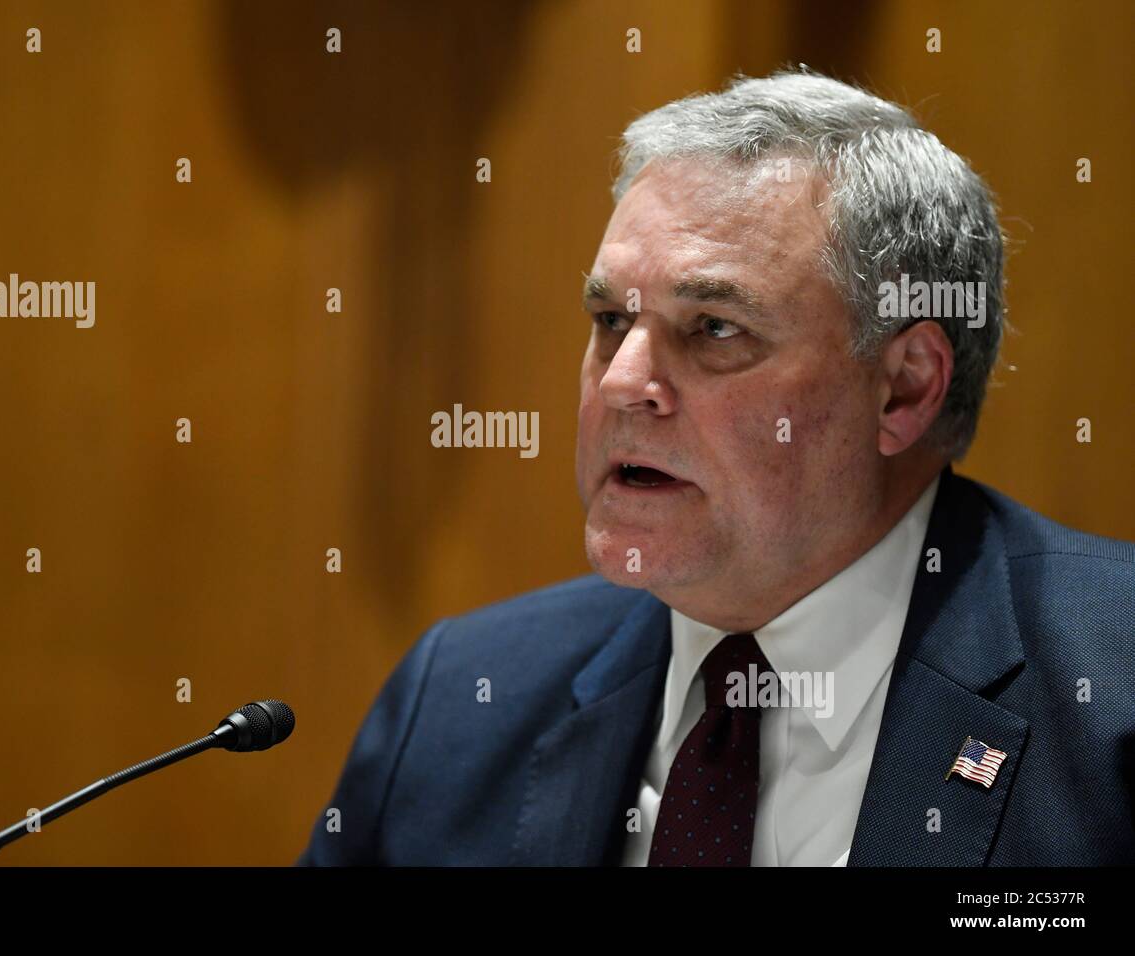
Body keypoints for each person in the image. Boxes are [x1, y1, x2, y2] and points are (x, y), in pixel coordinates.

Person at [297, 70, 1135, 866]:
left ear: (903, 389)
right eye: (608, 318)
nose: (622, 382)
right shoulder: (463, 699)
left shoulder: (1112, 689)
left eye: (714, 329)